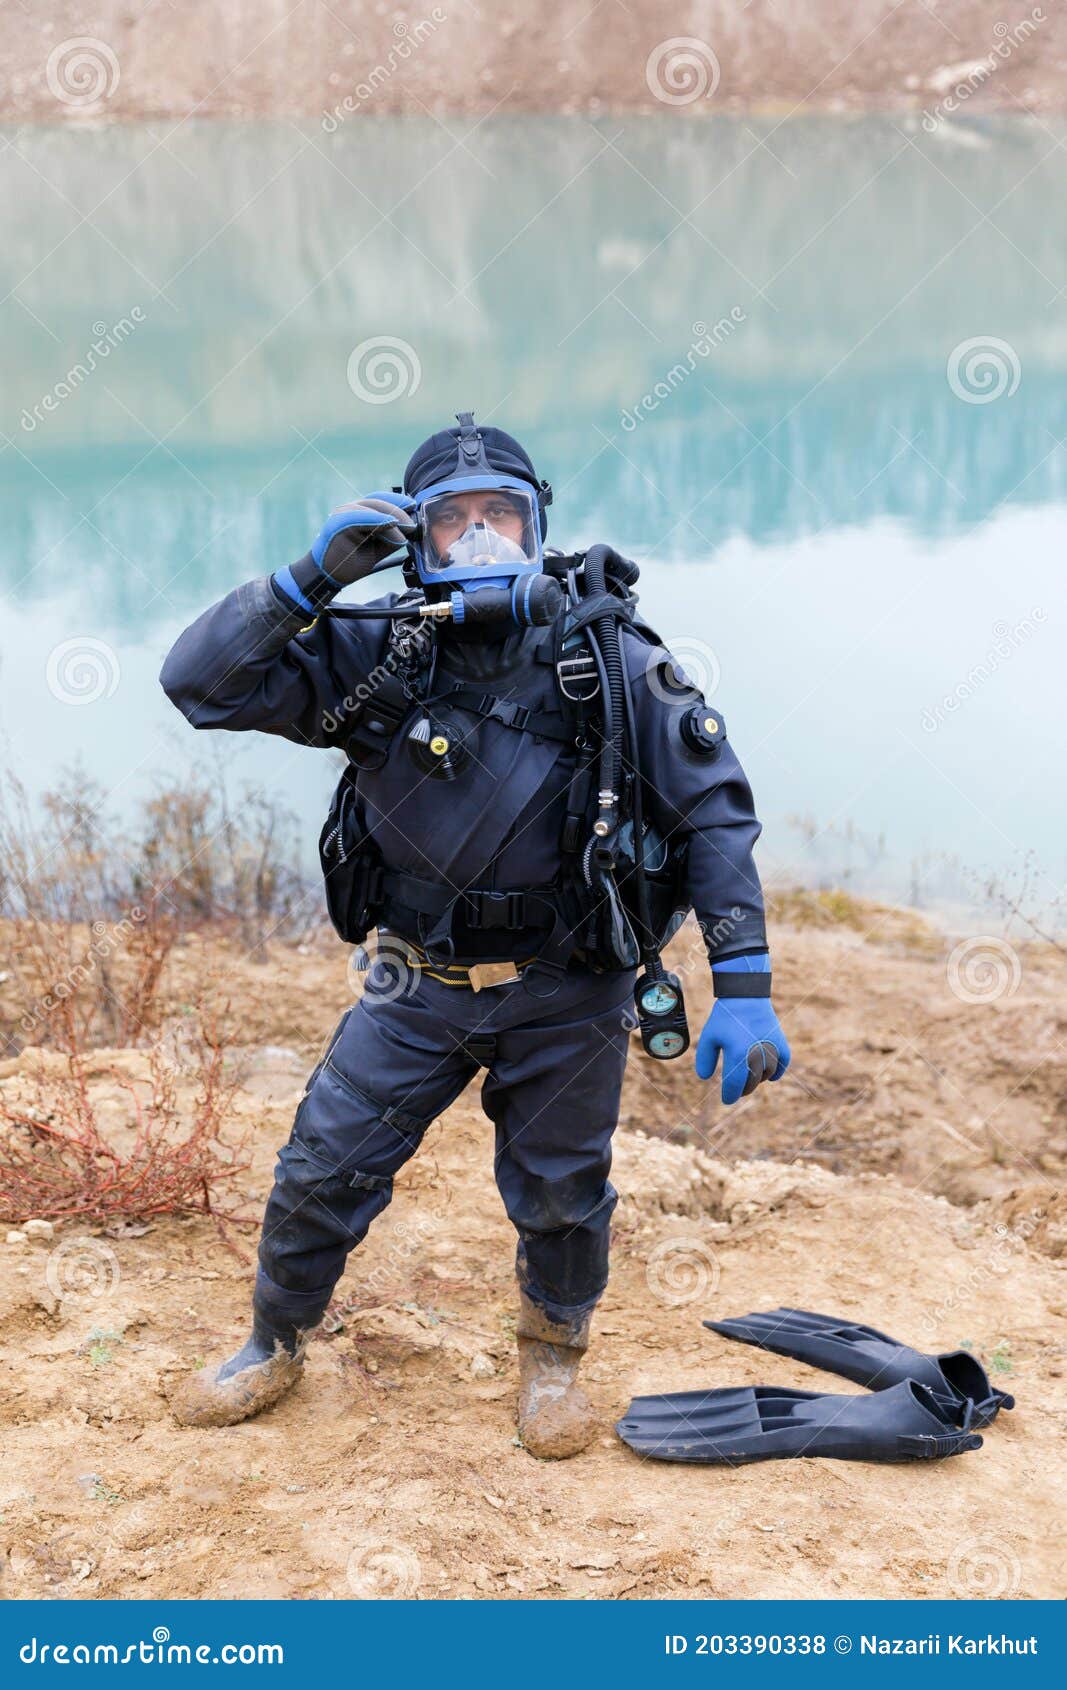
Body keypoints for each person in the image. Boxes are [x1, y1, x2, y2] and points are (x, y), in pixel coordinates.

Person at [159, 412, 790, 1458]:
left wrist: (745, 978)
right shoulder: (370, 651)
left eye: (505, 512)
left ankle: (551, 1359)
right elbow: (200, 684)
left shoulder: (612, 660)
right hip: (412, 981)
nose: (484, 536)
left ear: (540, 524)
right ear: (416, 537)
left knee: (561, 1191)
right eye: (455, 520)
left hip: (569, 983)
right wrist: (306, 580)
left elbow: (713, 811)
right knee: (322, 1167)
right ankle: (271, 1342)